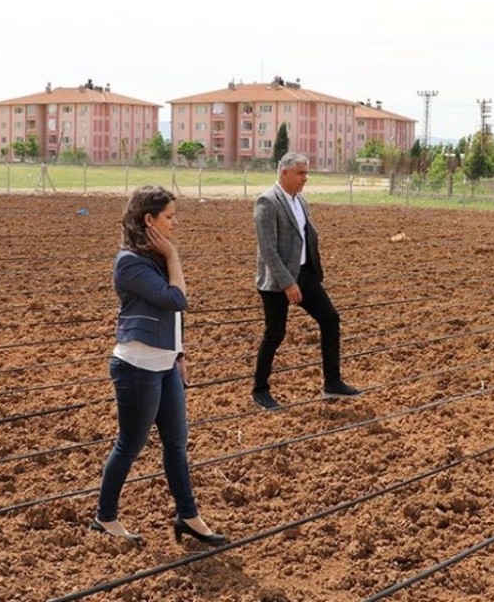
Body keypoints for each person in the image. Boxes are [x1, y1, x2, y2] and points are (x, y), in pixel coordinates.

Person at [92, 185, 226, 549]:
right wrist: (174, 257)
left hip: (165, 365)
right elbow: (175, 300)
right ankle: (104, 518)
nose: (175, 223)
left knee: (177, 445)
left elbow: (173, 317)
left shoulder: (151, 259)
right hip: (136, 367)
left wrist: (179, 356)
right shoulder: (129, 263)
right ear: (149, 220)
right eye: (169, 216)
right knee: (129, 445)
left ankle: (188, 516)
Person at [251, 152, 361, 410]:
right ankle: (260, 390)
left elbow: (305, 236)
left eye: (306, 173)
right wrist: (287, 282)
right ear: (284, 173)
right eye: (300, 173)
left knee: (330, 318)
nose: (305, 178)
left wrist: (311, 271)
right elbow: (267, 249)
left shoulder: (300, 201)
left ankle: (332, 382)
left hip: (304, 274)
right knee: (275, 334)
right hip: (277, 280)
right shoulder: (267, 201)